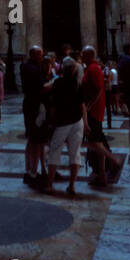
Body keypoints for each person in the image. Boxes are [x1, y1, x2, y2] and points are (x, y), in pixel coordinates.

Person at [45, 57, 87, 198]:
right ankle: (72, 185)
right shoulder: (77, 83)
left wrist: (50, 121)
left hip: (62, 122)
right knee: (75, 153)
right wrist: (85, 123)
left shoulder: (58, 83)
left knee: (55, 151)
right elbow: (82, 105)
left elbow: (53, 105)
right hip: (77, 121)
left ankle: (50, 184)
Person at [81, 46, 121, 186]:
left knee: (95, 142)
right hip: (92, 111)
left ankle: (113, 161)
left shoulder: (93, 68)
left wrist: (89, 106)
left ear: (89, 55)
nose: (81, 55)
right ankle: (102, 174)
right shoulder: (91, 68)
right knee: (98, 142)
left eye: (83, 54)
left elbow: (98, 89)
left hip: (93, 112)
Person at [20, 45, 47, 186]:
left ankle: (29, 170)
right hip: (35, 107)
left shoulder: (26, 67)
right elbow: (40, 89)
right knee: (36, 140)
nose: (42, 57)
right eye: (40, 54)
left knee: (32, 139)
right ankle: (32, 173)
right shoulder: (34, 69)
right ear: (34, 55)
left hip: (29, 105)